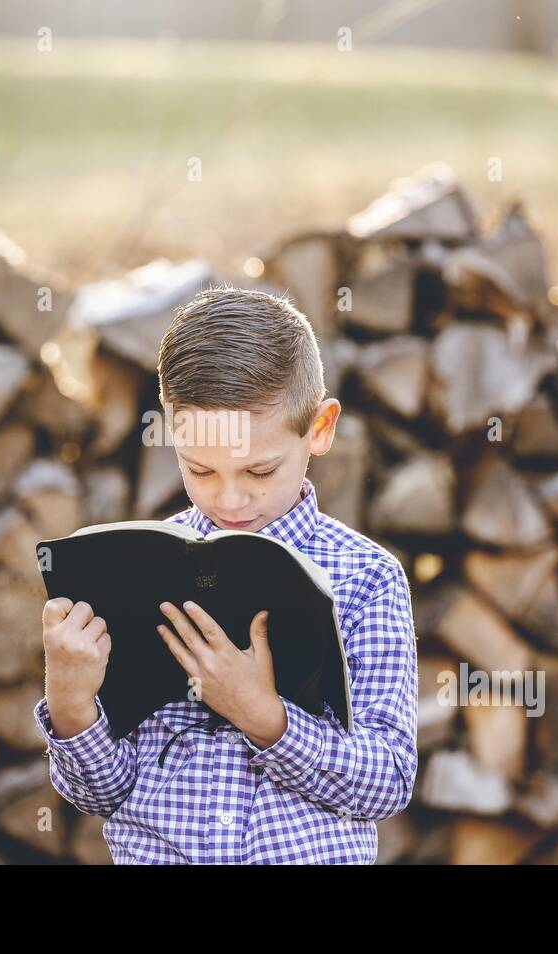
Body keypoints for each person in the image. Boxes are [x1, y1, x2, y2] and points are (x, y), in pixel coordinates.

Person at [32, 285, 418, 864]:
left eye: (259, 469)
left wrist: (264, 717)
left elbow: (386, 781)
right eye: (200, 469)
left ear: (320, 427)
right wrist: (69, 700)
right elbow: (100, 793)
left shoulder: (366, 579)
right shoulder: (142, 567)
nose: (231, 497)